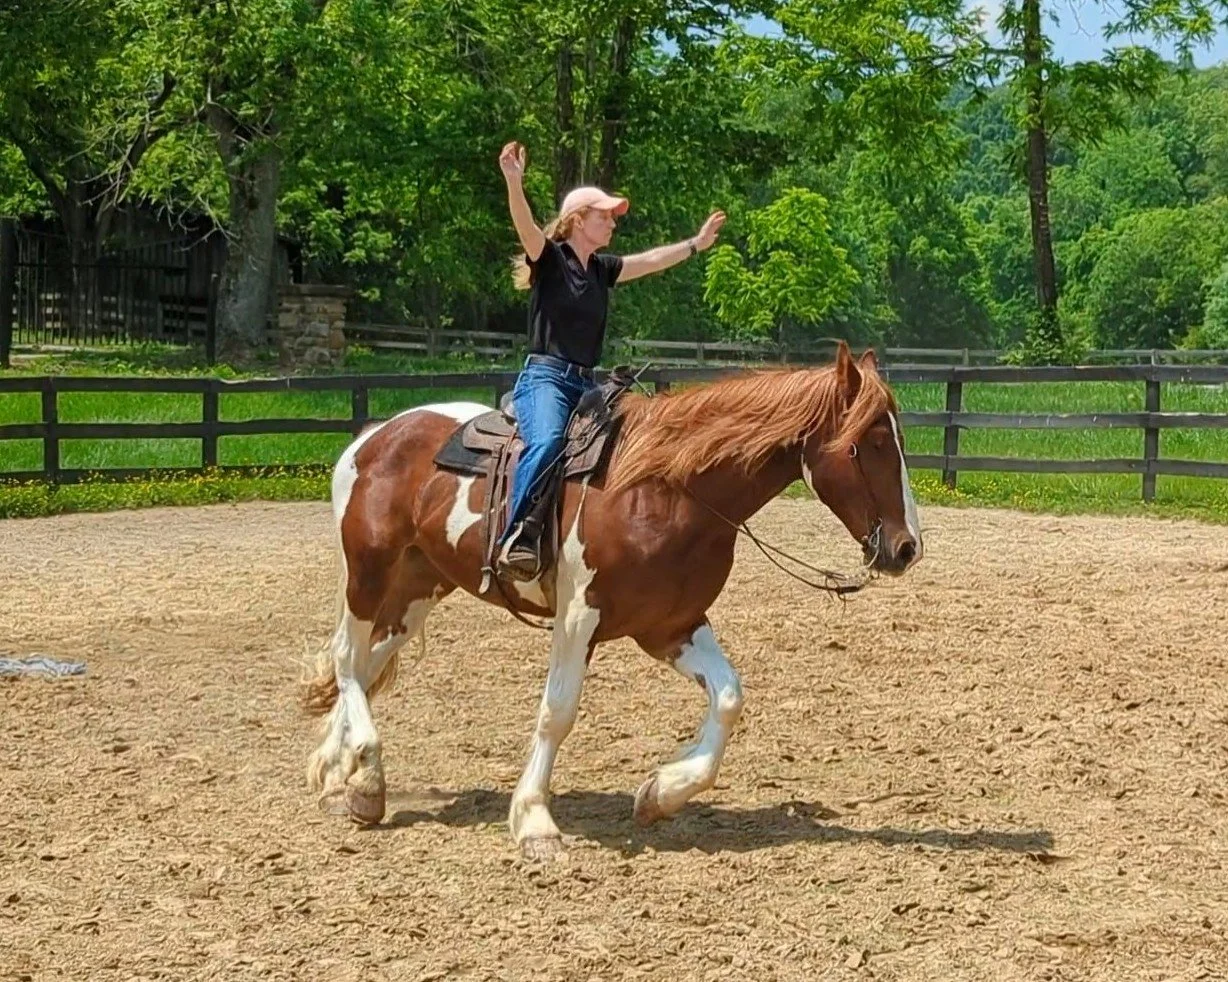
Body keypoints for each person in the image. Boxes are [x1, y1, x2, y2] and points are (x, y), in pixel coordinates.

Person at [495, 140, 726, 581]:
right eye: (604, 217)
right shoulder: (549, 259)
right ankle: (519, 535)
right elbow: (524, 225)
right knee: (545, 444)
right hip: (545, 378)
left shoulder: (602, 269)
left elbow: (652, 261)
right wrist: (513, 181)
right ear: (578, 221)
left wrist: (695, 245)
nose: (612, 224)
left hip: (587, 384)